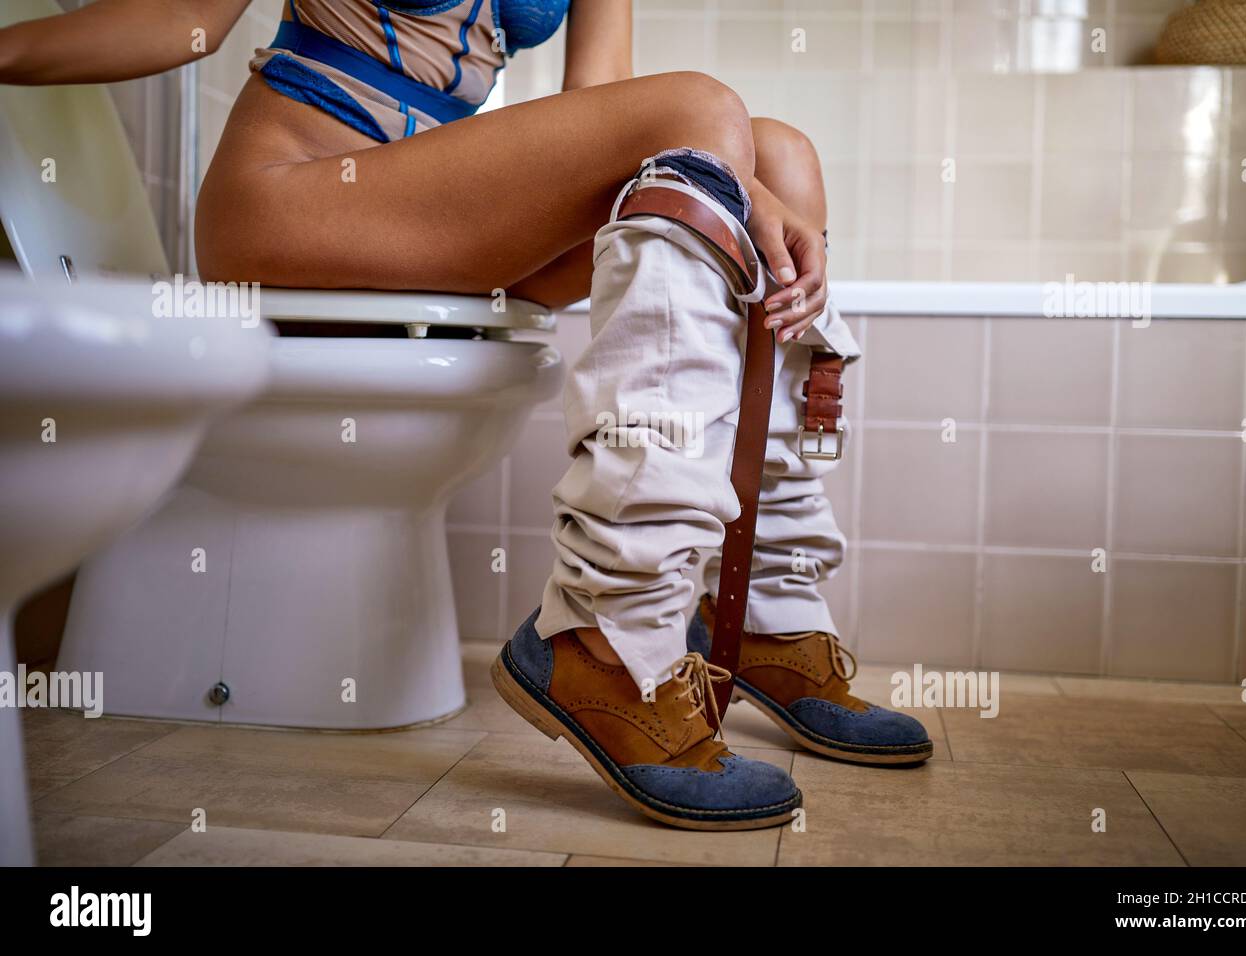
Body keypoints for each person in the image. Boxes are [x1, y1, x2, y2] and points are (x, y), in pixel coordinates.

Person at [0, 0, 932, 832]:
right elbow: (179, 21)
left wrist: (740, 181)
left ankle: (756, 608)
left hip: (441, 222)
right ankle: (612, 633)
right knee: (710, 116)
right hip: (296, 195)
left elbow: (608, 114)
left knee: (778, 154)